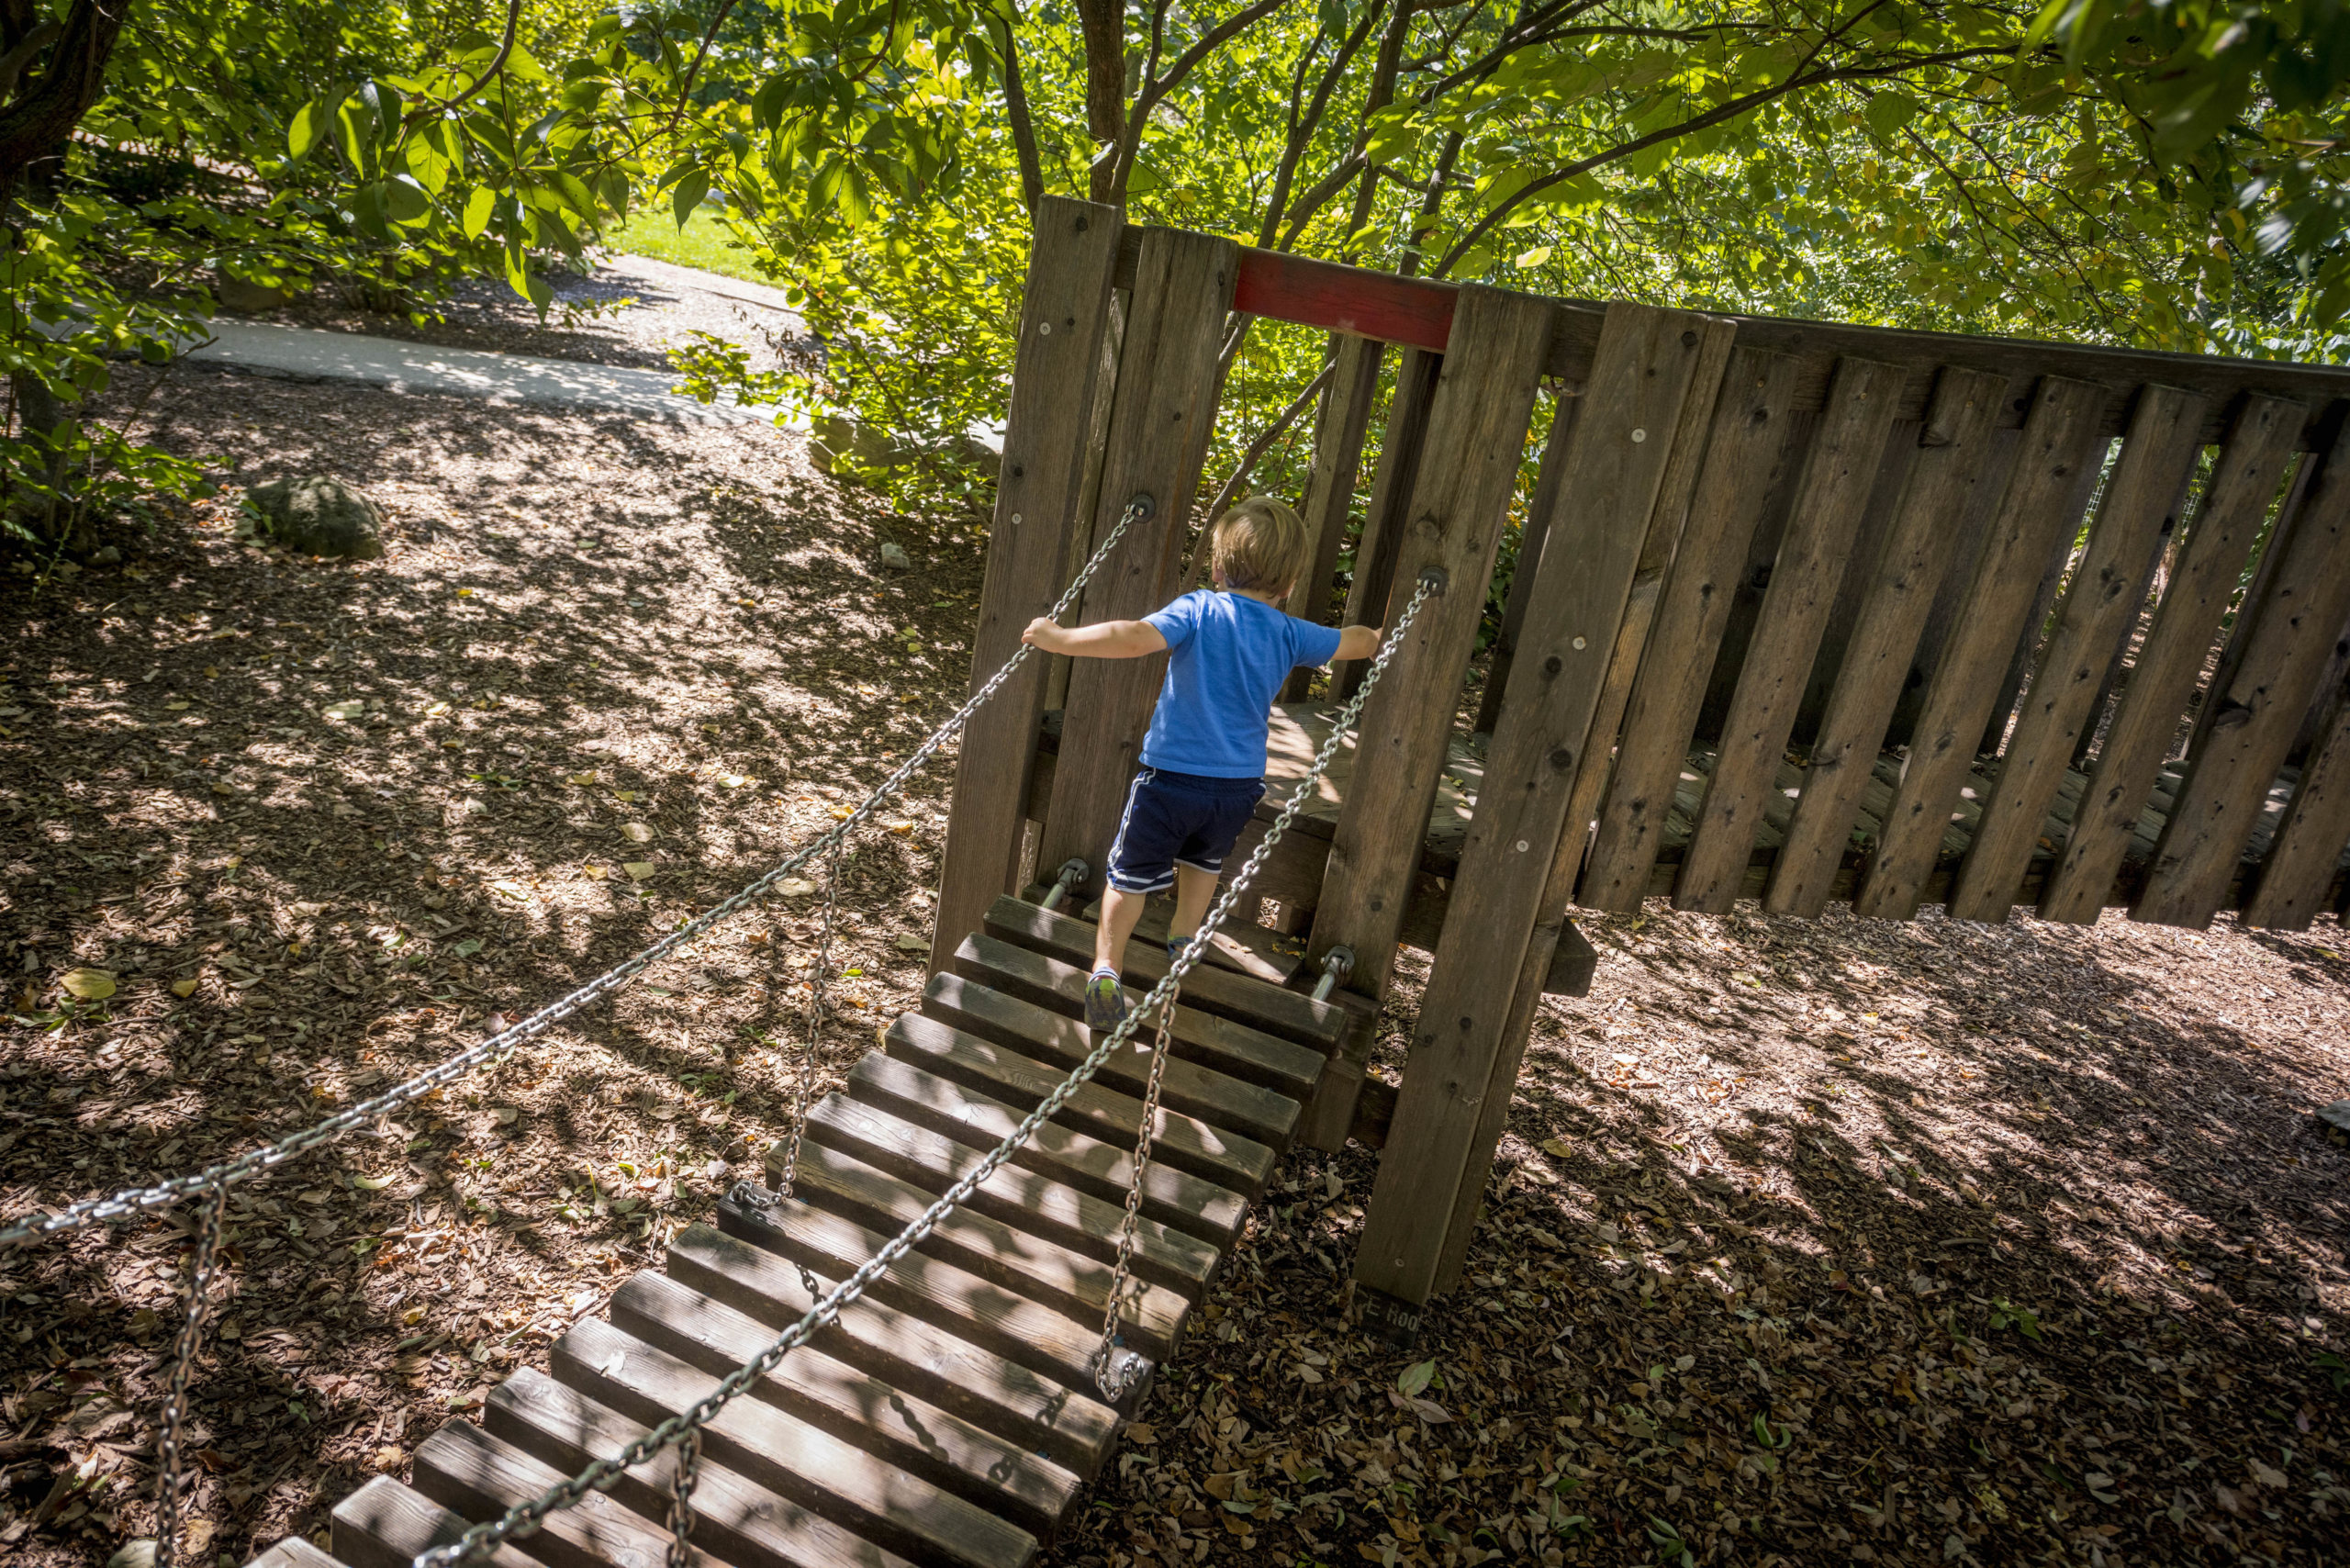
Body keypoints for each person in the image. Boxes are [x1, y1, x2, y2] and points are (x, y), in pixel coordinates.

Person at [1023, 496, 1382, 1032]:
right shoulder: (1289, 632)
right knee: (1203, 864)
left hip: (1169, 780)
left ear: (1217, 568)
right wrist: (1383, 635)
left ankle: (1106, 966)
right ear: (1288, 585)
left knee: (1128, 877)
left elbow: (1133, 637)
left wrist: (1060, 639)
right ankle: (1185, 938)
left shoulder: (1199, 609)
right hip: (1236, 790)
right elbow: (1352, 642)